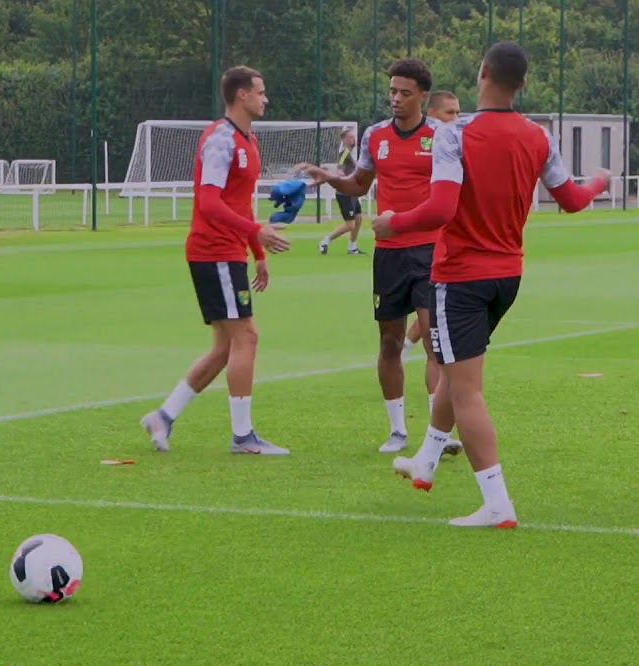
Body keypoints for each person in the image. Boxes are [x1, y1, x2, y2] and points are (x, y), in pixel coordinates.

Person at [372, 42, 609, 528]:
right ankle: (427, 461)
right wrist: (600, 181)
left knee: (466, 390)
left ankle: (497, 504)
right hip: (508, 275)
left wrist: (393, 222)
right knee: (457, 372)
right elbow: (572, 200)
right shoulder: (538, 137)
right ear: (522, 83)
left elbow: (441, 209)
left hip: (460, 275)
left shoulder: (454, 134)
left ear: (482, 73)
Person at [297, 59, 462, 455]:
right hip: (388, 254)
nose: (396, 99)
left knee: (433, 343)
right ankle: (397, 431)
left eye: (405, 93)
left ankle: (436, 435)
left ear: (423, 95)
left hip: (430, 251)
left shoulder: (441, 136)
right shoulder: (375, 136)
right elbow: (358, 183)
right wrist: (329, 176)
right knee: (389, 341)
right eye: (392, 91)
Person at [140, 66, 292, 455]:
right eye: (260, 92)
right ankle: (243, 437)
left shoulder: (248, 141)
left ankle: (164, 416)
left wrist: (257, 253)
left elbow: (240, 203)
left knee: (226, 347)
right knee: (248, 337)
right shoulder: (221, 140)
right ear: (242, 95)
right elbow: (209, 203)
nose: (265, 99)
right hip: (213, 251)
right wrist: (256, 233)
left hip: (230, 253)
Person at [403, 90, 462, 358]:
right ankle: (405, 349)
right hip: (418, 240)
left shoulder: (457, 141)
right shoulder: (424, 140)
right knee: (435, 309)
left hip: (448, 238)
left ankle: (409, 348)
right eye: (450, 113)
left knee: (437, 309)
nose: (456, 119)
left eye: (458, 113)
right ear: (433, 114)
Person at [319, 128, 366, 255]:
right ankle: (325, 241)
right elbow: (340, 166)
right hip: (344, 193)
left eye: (353, 136)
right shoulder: (344, 152)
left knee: (359, 219)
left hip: (352, 192)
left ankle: (352, 247)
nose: (353, 139)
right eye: (350, 137)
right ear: (344, 140)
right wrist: (340, 172)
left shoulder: (350, 153)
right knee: (350, 224)